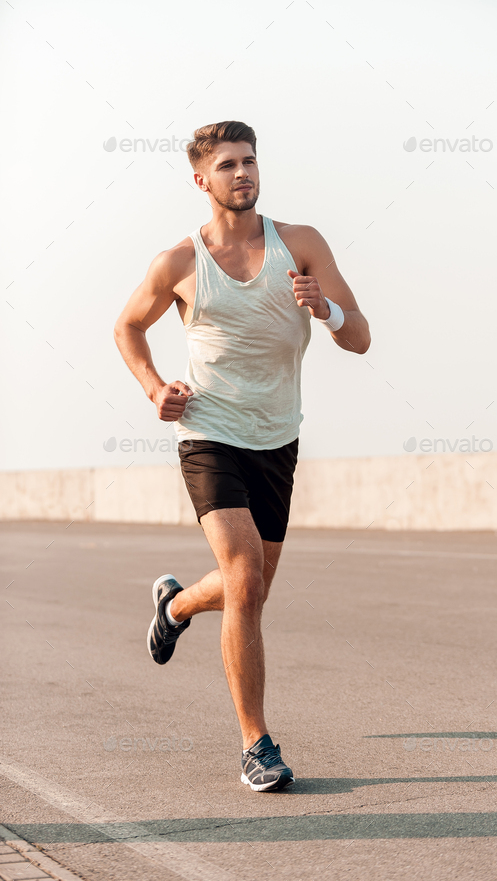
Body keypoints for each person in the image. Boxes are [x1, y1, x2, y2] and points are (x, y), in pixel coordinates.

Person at [114, 120, 370, 792]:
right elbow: (127, 326)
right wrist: (154, 387)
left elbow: (361, 337)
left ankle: (172, 609)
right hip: (209, 432)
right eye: (227, 165)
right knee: (246, 577)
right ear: (202, 180)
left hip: (277, 440)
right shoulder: (178, 262)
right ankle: (257, 744)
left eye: (250, 161)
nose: (243, 173)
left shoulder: (302, 244)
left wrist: (328, 312)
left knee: (245, 588)